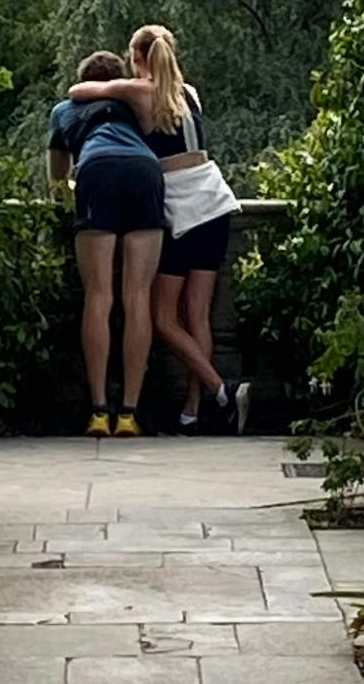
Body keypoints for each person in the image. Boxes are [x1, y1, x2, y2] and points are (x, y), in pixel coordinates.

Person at [129, 22, 243, 433]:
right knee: (198, 316)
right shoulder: (189, 93)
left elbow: (82, 92)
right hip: (214, 200)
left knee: (162, 317)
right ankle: (194, 411)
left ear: (136, 57)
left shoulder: (140, 92)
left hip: (181, 211)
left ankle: (222, 389)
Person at [46, 49, 166, 436]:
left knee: (98, 296)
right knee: (138, 297)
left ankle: (99, 410)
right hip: (145, 173)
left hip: (96, 171)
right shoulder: (135, 100)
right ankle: (129, 413)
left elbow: (58, 178)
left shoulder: (65, 110)